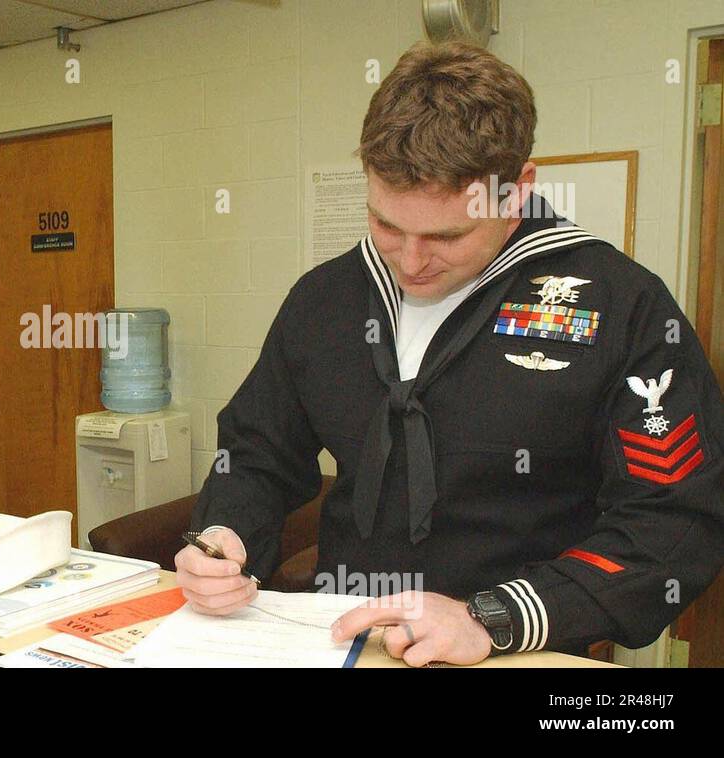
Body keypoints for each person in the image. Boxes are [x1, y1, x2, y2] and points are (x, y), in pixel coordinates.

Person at [175, 41, 724, 666]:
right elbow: (256, 452)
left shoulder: (623, 305)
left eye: (446, 235)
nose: (411, 262)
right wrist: (225, 535)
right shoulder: (325, 299)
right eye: (386, 225)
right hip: (347, 641)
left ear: (517, 192)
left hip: (525, 646)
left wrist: (495, 617)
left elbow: (675, 520)